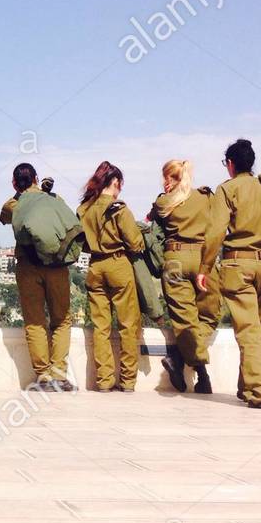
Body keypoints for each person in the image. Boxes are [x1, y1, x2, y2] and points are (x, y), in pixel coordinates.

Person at [202, 139, 261, 409]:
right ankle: (247, 387)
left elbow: (215, 232)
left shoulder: (227, 189)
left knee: (249, 332)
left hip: (239, 266)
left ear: (230, 164)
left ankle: (260, 391)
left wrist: (205, 267)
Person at [0, 163, 73, 389]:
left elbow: (3, 217)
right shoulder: (54, 199)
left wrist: (20, 194)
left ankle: (43, 375)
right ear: (36, 178)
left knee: (35, 320)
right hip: (56, 265)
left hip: (28, 266)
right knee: (61, 319)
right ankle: (59, 374)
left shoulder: (13, 203)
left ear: (14, 183)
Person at [148, 160, 217, 394]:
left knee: (185, 320)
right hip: (202, 260)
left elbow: (150, 226)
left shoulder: (164, 202)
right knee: (208, 316)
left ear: (169, 178)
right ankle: (198, 372)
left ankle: (183, 362)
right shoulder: (206, 198)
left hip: (175, 259)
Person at [78, 162, 145, 392]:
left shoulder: (85, 209)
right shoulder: (119, 209)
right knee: (128, 325)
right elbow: (136, 243)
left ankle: (104, 381)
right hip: (118, 264)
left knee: (101, 327)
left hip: (95, 266)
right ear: (115, 182)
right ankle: (127, 381)